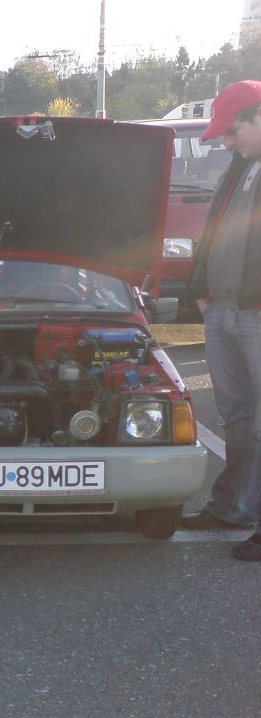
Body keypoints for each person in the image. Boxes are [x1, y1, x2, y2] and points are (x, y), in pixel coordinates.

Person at [181, 80, 261, 562]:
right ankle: (234, 506)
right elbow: (212, 236)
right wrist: (204, 295)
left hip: (255, 313)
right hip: (225, 311)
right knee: (238, 416)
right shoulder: (240, 169)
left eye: (232, 132)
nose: (226, 142)